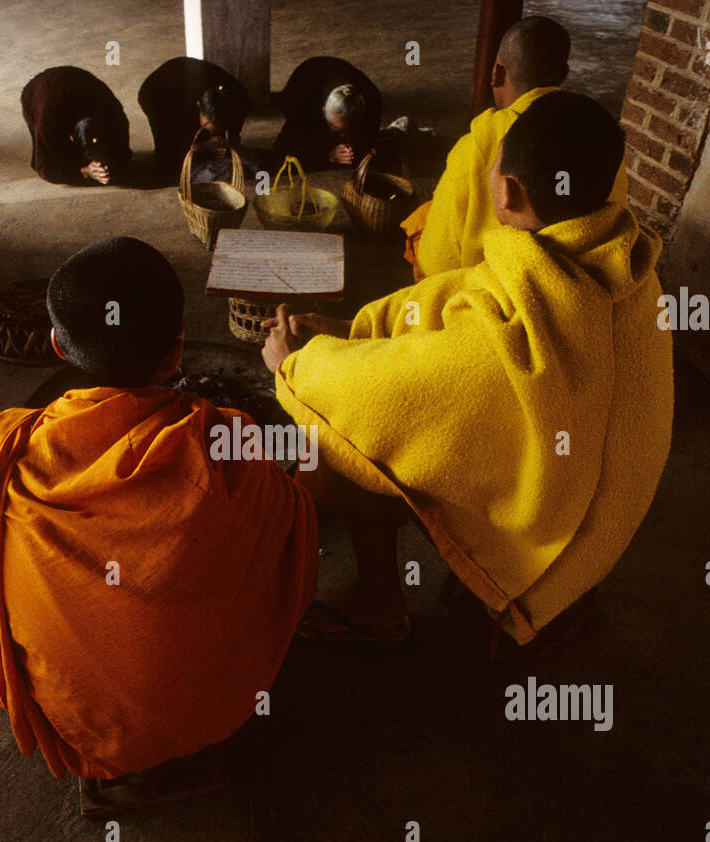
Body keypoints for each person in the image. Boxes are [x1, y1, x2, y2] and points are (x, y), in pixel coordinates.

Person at [262, 92, 672, 647]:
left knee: (338, 441)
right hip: (593, 528)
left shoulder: (513, 334)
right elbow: (466, 301)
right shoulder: (625, 268)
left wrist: (297, 364)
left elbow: (386, 394)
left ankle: (380, 604)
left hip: (542, 557)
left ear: (507, 191)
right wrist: (352, 332)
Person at [0, 238, 318, 779]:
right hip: (213, 715)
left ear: (57, 347)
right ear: (176, 351)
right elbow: (296, 534)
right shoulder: (228, 449)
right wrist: (308, 376)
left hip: (77, 720)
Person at [403, 15, 627, 279]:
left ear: (496, 73)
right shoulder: (596, 136)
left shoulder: (482, 141)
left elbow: (438, 263)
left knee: (423, 220)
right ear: (563, 76)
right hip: (581, 276)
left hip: (484, 282)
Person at [138, 56, 250, 180]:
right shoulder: (174, 107)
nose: (216, 133)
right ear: (198, 107)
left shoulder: (240, 98)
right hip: (157, 92)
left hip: (187, 82)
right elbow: (183, 146)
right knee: (168, 161)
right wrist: (203, 147)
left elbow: (233, 133)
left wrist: (227, 142)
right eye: (212, 128)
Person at [20, 66, 132, 185]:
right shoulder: (48, 120)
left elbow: (125, 155)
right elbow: (45, 169)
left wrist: (109, 163)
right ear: (72, 137)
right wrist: (85, 171)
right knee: (42, 160)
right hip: (37, 93)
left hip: (76, 83)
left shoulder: (115, 115)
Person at [274, 56, 381, 171]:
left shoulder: (372, 102)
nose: (343, 136)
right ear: (324, 109)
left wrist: (352, 146)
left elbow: (368, 143)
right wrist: (329, 156)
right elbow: (285, 153)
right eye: (336, 128)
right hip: (303, 86)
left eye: (346, 130)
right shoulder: (302, 105)